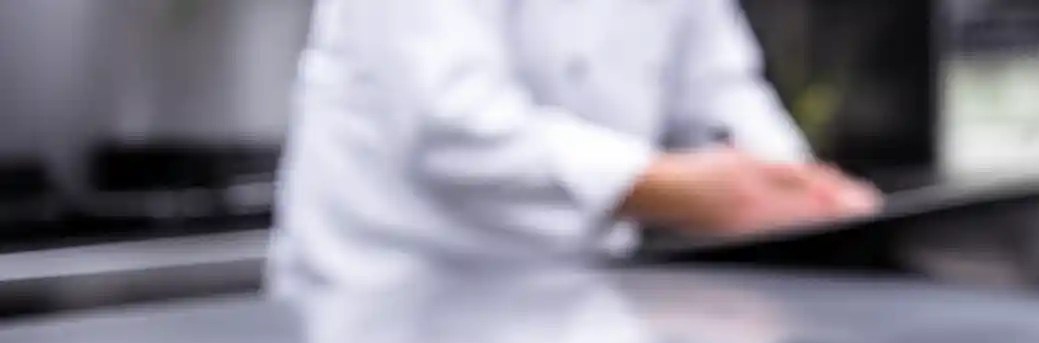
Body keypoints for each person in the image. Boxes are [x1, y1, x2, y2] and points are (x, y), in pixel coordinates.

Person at [270, 0, 883, 289]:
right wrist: (671, 190)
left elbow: (722, 89)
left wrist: (803, 192)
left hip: (583, 293)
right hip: (390, 297)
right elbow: (451, 124)